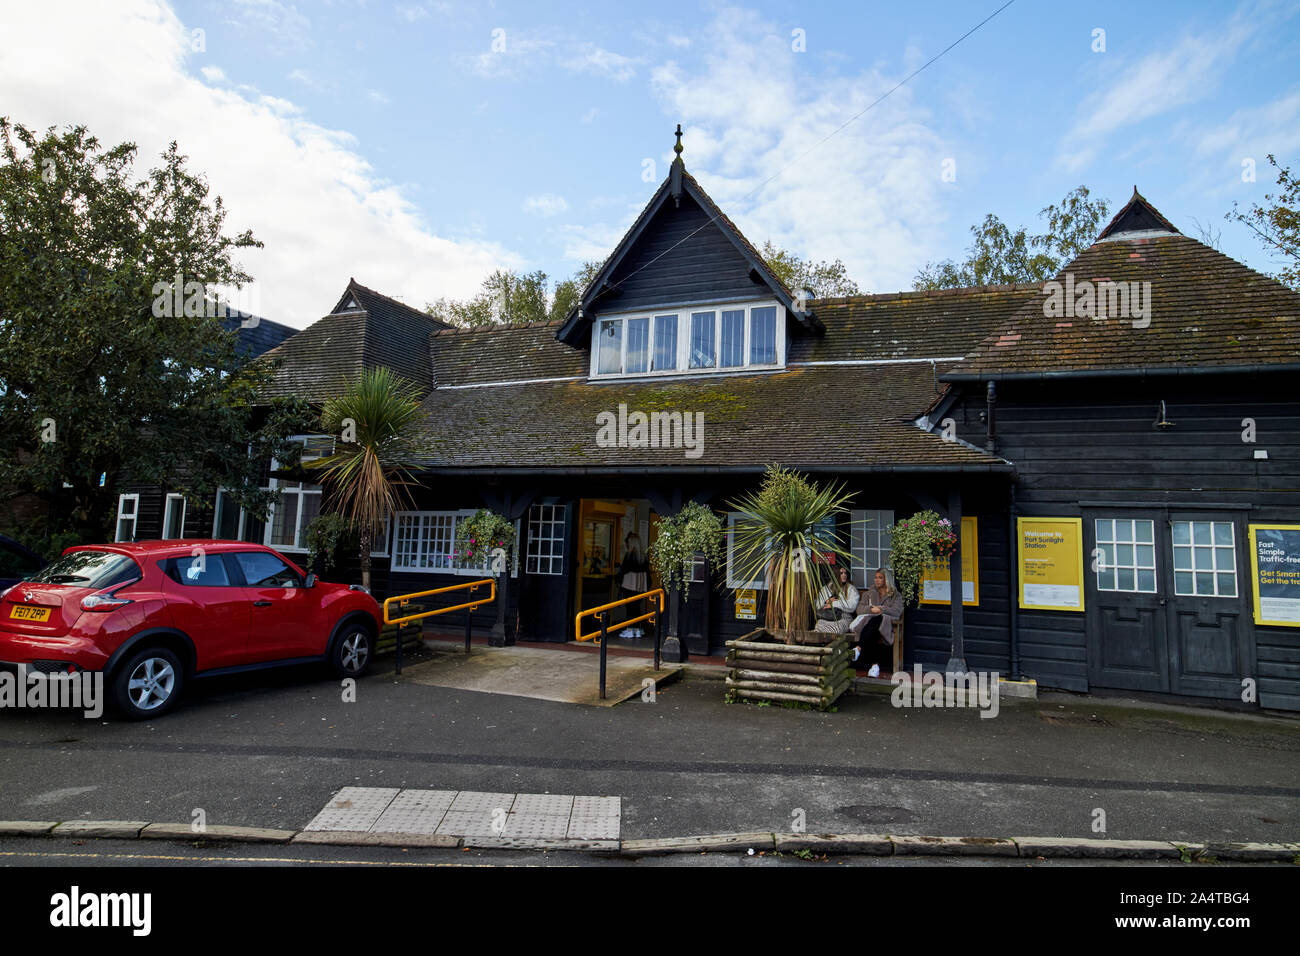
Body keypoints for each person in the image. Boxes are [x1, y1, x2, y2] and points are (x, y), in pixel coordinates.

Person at [850, 568, 903, 677]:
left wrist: (881, 609)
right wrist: (871, 609)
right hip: (871, 628)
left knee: (877, 620)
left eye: (880, 578)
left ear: (886, 579)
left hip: (887, 627)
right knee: (873, 629)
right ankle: (875, 666)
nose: (877, 580)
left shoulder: (895, 595)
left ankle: (859, 648)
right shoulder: (869, 593)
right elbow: (859, 609)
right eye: (876, 577)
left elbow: (897, 612)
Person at [616, 532, 649, 638]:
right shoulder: (643, 556)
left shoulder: (629, 555)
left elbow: (623, 570)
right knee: (636, 607)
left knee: (630, 608)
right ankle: (638, 629)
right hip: (640, 586)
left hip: (629, 585)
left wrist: (617, 580)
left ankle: (630, 630)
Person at [814, 564, 860, 633]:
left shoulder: (851, 589)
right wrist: (826, 602)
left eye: (845, 573)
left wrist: (834, 604)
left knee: (836, 629)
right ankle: (818, 640)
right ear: (836, 574)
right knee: (819, 625)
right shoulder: (826, 588)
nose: (844, 575)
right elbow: (818, 605)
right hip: (828, 616)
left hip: (843, 617)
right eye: (841, 573)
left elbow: (852, 606)